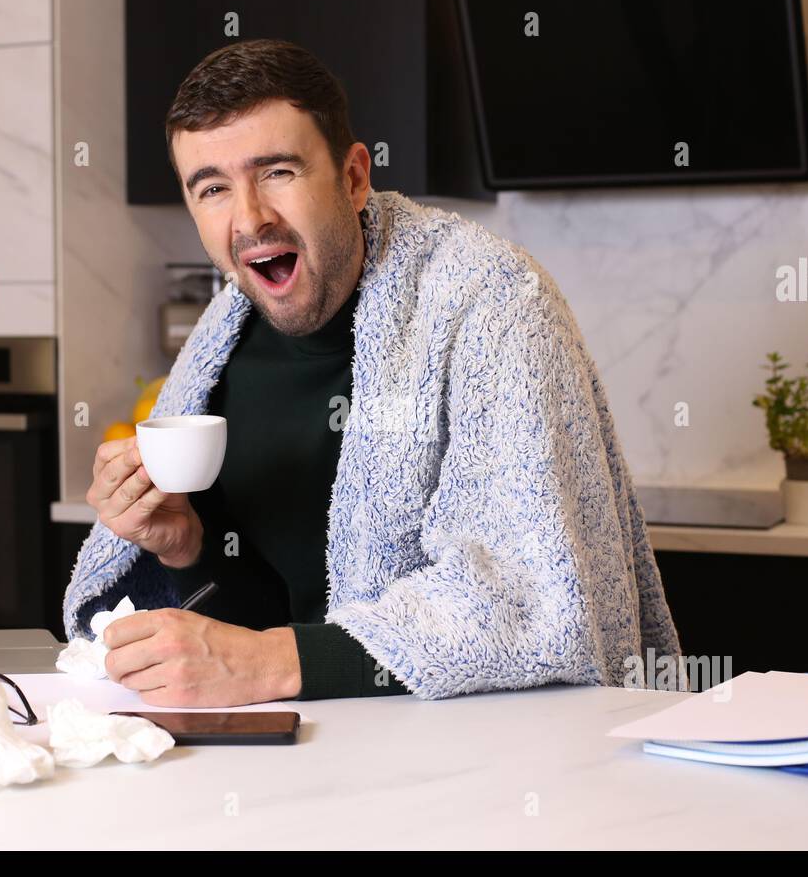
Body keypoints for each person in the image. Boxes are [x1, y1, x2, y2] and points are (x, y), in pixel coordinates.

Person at [63, 39, 680, 706]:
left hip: (475, 765)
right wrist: (184, 547)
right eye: (212, 188)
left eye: (278, 172)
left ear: (355, 177)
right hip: (301, 755)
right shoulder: (223, 336)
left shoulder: (493, 300)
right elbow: (248, 628)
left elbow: (531, 597)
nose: (249, 218)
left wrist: (275, 660)